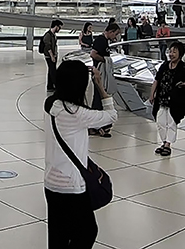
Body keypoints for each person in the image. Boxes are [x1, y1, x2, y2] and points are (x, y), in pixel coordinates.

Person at [43, 60, 117, 249]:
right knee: (87, 231)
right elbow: (111, 116)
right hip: (71, 185)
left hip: (50, 182)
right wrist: (100, 85)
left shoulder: (51, 105)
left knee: (58, 235)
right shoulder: (77, 113)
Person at [150, 41, 185, 156]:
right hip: (161, 99)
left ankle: (168, 144)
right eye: (170, 51)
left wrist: (183, 84)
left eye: (174, 52)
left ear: (180, 54)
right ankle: (164, 142)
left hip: (175, 101)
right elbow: (156, 80)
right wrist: (152, 94)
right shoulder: (164, 65)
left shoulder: (184, 68)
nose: (171, 54)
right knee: (160, 121)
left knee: (171, 122)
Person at [89, 23, 120, 137]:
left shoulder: (105, 41)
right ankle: (94, 126)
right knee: (99, 99)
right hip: (99, 74)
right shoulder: (101, 40)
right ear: (110, 31)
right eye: (115, 34)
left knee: (100, 99)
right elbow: (93, 54)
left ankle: (99, 125)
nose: (115, 37)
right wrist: (104, 60)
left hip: (102, 74)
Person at [41, 20, 62, 91]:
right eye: (59, 27)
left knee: (51, 70)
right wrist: (52, 56)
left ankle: (50, 86)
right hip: (49, 56)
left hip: (53, 55)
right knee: (53, 71)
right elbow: (48, 47)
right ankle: (56, 86)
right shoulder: (48, 35)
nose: (59, 29)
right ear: (56, 26)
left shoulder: (53, 35)